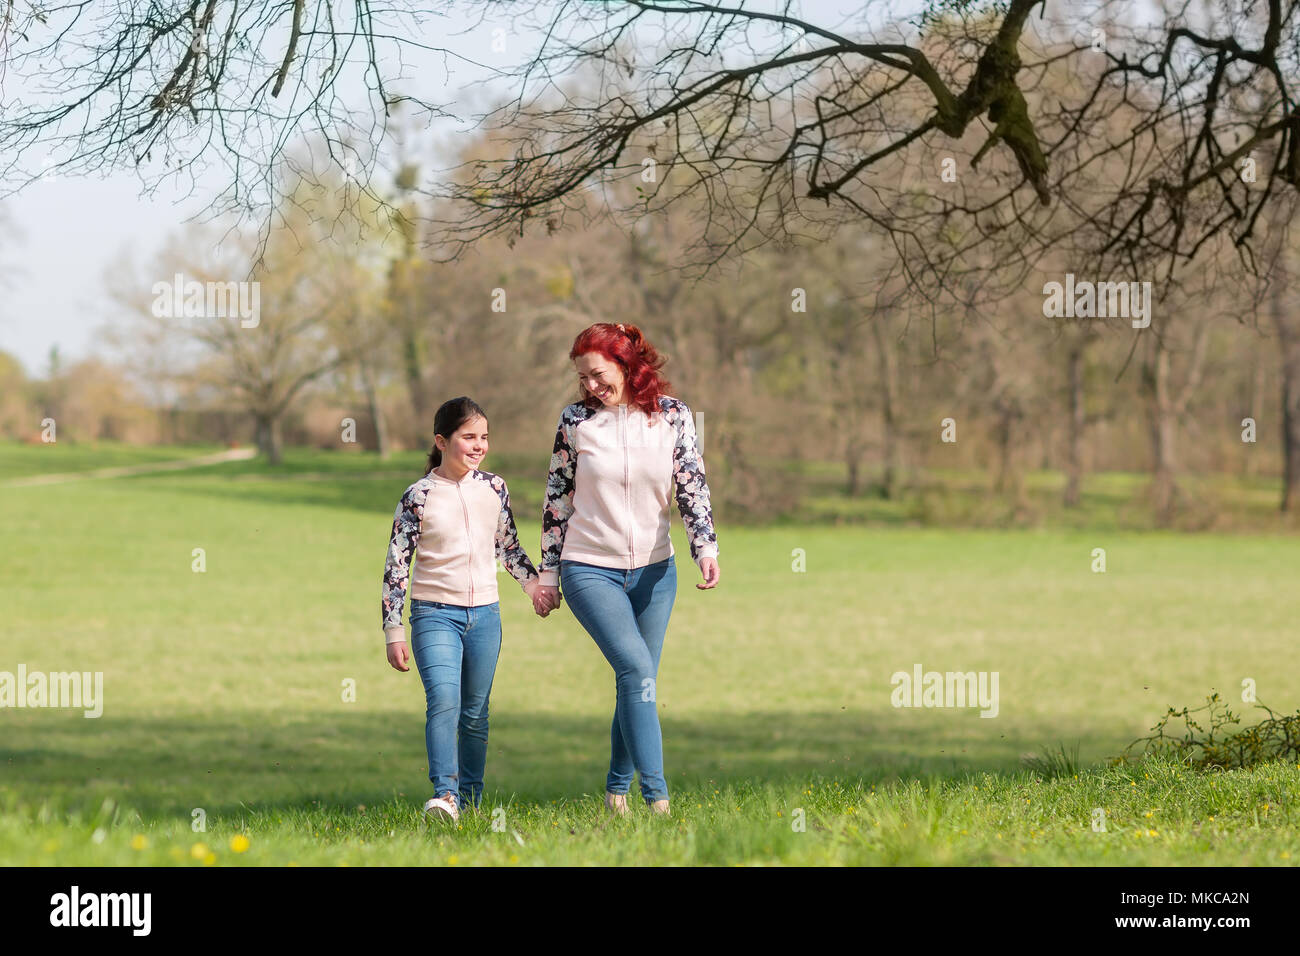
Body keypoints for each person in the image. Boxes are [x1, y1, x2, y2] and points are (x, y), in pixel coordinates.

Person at [533, 323, 720, 816]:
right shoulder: (575, 421)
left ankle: (616, 793)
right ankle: (658, 802)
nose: (591, 387)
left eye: (598, 375)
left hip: (657, 572)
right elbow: (556, 499)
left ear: (626, 364)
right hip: (589, 567)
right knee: (637, 670)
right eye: (583, 379)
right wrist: (548, 575)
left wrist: (705, 546)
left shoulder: (673, 417)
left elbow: (692, 485)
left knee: (637, 681)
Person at [381, 397, 553, 824]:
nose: (479, 446)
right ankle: (446, 795)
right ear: (442, 441)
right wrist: (393, 630)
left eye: (484, 437)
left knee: (475, 713)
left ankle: (470, 803)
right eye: (469, 437)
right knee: (443, 701)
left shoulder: (494, 488)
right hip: (433, 613)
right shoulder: (418, 496)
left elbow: (507, 543)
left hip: (485, 616)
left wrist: (532, 585)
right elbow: (397, 563)